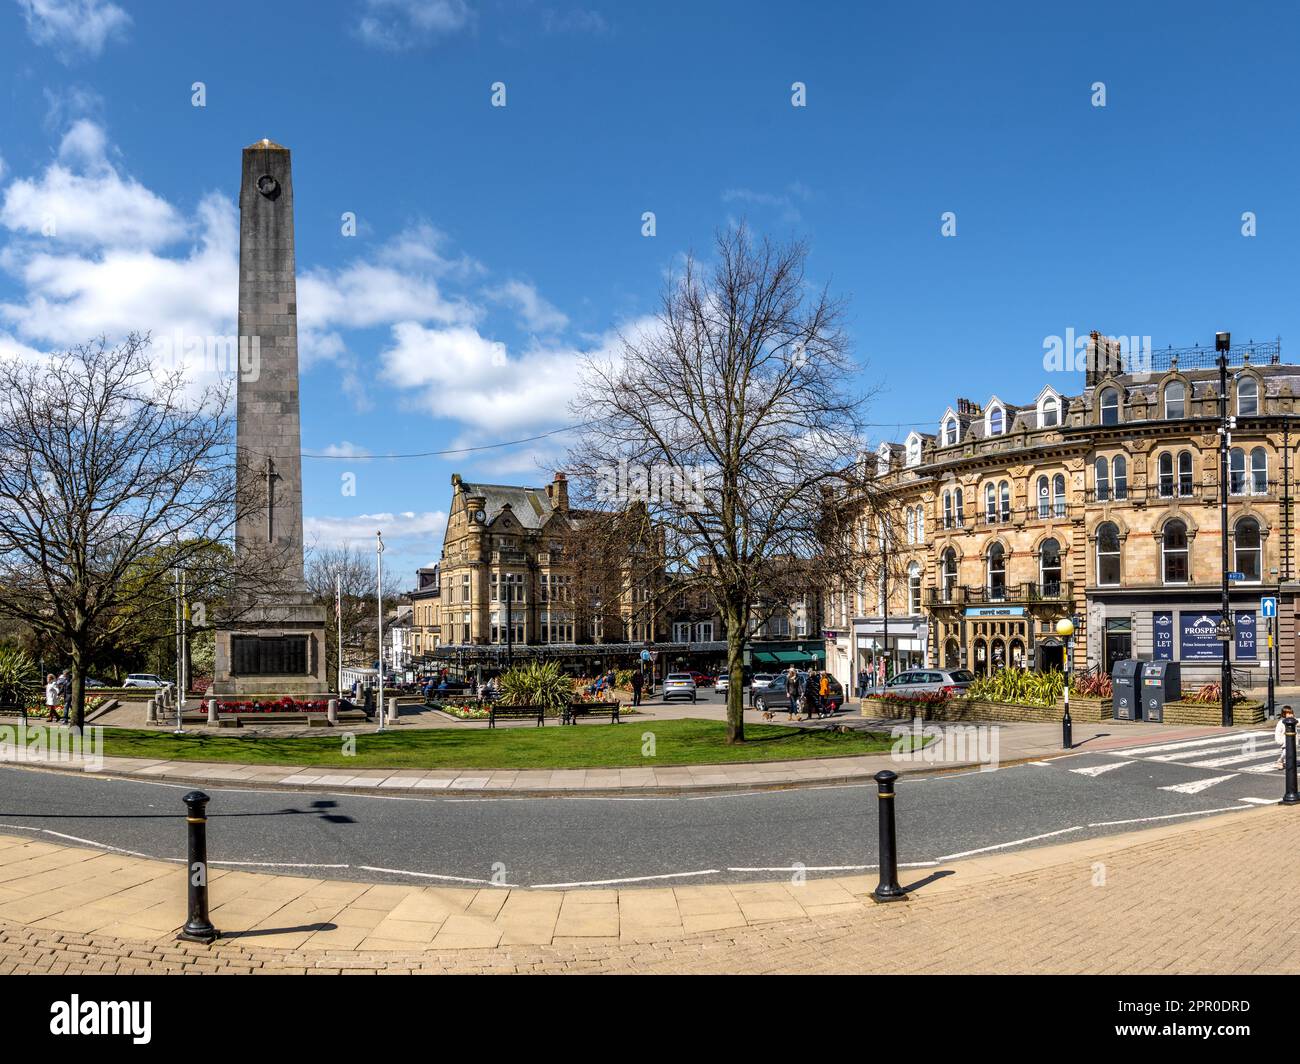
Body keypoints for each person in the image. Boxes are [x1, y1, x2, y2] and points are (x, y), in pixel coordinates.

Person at [1275, 705, 1295, 770]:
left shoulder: (1293, 721)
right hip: (1284, 743)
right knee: (1285, 753)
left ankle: (1283, 762)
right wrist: (1281, 741)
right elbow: (1277, 733)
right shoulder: (1280, 723)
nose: (1291, 715)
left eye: (1291, 713)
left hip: (1293, 742)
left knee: (1290, 754)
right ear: (1284, 714)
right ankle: (1281, 761)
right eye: (1289, 713)